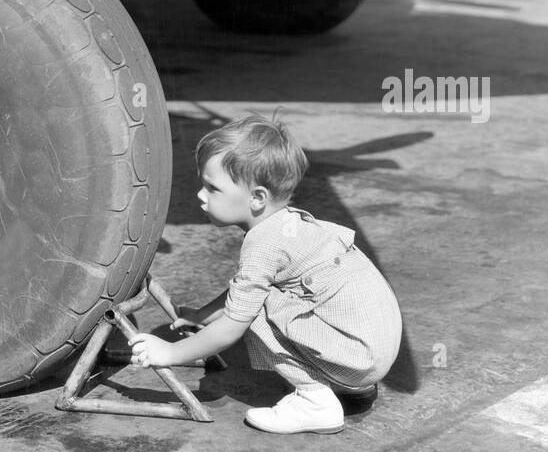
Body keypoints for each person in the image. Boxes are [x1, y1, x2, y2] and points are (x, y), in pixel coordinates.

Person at [129, 113, 402, 434]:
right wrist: (203, 314)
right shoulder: (291, 225)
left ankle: (316, 402)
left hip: (358, 361)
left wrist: (170, 352)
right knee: (260, 298)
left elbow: (235, 323)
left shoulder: (263, 244)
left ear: (257, 198)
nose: (201, 196)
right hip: (373, 353)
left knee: (251, 312)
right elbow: (250, 289)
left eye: (212, 188)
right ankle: (347, 386)